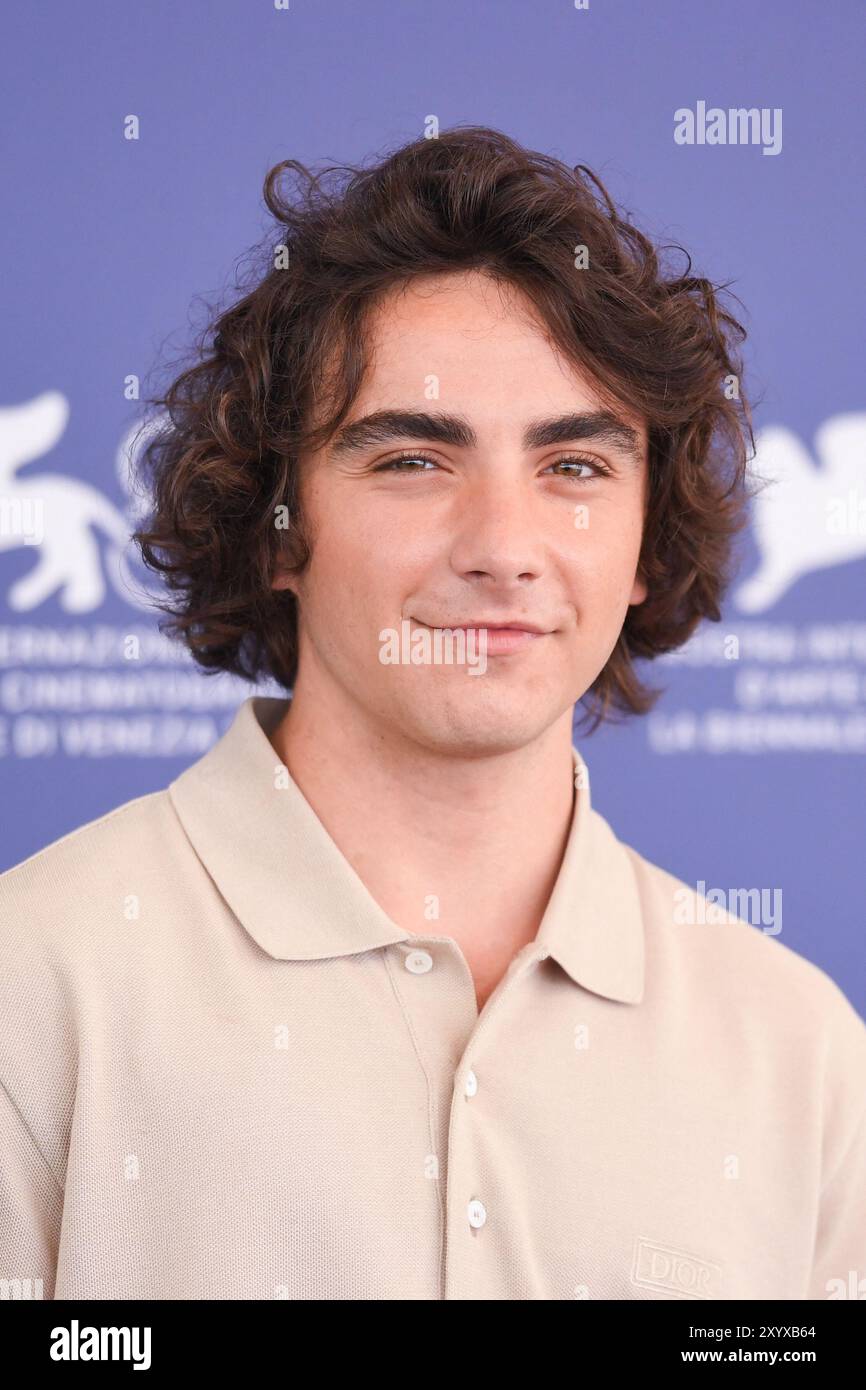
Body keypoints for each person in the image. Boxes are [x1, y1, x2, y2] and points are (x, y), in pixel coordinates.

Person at [1, 127, 864, 1302]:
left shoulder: (801, 1053)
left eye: (572, 468)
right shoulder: (34, 984)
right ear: (279, 526)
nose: (502, 548)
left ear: (642, 551)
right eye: (412, 458)